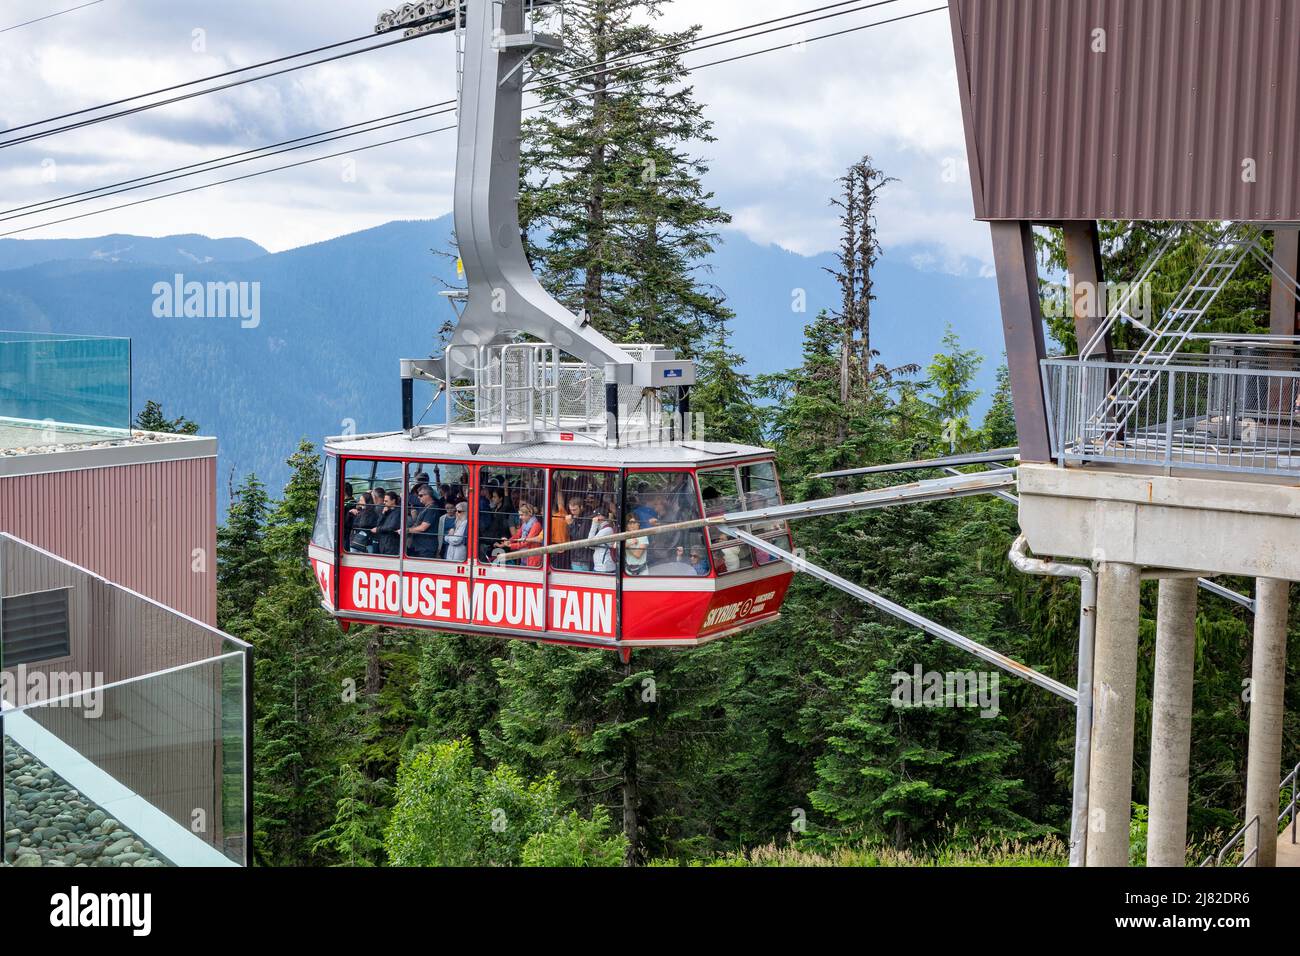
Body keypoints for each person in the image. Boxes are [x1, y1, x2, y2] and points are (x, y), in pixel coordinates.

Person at [500, 501, 544, 568]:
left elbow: (527, 542)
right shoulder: (525, 523)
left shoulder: (536, 525)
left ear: (529, 514)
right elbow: (517, 535)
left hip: (532, 558)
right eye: (519, 515)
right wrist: (509, 541)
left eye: (522, 515)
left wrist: (511, 545)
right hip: (524, 555)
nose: (520, 517)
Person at [406, 485, 441, 558]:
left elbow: (423, 527)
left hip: (426, 548)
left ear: (428, 495)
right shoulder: (426, 507)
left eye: (420, 495)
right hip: (420, 547)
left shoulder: (432, 508)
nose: (418, 497)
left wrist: (407, 530)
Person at [564, 494, 593, 571]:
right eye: (571, 510)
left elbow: (579, 537)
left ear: (581, 507)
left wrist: (570, 524)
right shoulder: (577, 517)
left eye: (575, 510)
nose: (572, 512)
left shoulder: (586, 519)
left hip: (582, 558)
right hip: (577, 555)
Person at [550, 485, 571, 570]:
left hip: (555, 547)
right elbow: (560, 502)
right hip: (566, 547)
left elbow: (560, 503)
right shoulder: (562, 514)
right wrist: (559, 487)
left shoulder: (554, 518)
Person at [375, 492, 403, 556]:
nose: (384, 503)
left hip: (391, 545)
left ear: (393, 501)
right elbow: (378, 524)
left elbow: (392, 527)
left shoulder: (398, 512)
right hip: (384, 544)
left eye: (386, 501)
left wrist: (378, 529)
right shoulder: (387, 511)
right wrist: (383, 514)